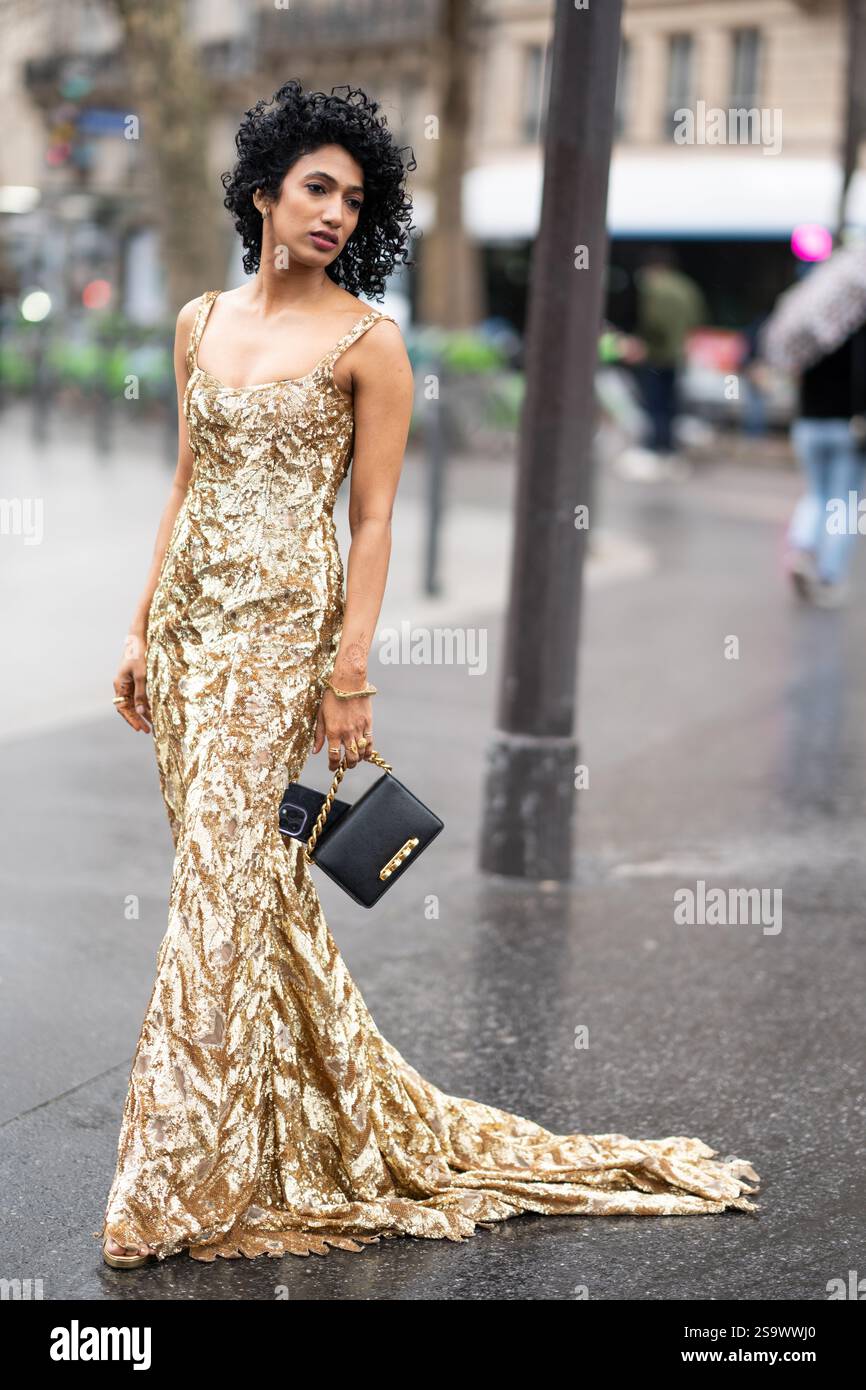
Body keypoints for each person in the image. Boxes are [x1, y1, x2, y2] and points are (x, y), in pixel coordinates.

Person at [100, 81, 760, 1268]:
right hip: (194, 639)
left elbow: (373, 524)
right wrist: (144, 625)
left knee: (213, 904)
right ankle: (319, 1118)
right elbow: (187, 484)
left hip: (278, 642)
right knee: (252, 894)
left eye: (355, 199)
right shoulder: (198, 321)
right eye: (316, 188)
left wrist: (348, 673)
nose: (336, 214)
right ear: (261, 191)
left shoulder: (371, 342)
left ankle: (177, 1177)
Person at [785, 318, 866, 606]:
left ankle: (803, 549)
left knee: (815, 494)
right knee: (843, 503)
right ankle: (829, 575)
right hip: (848, 428)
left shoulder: (809, 328)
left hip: (808, 425)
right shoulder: (857, 331)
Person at [633, 246, 707, 463]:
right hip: (678, 354)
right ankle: (669, 447)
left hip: (657, 354)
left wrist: (642, 342)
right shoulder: (686, 287)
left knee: (654, 403)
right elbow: (697, 318)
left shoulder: (655, 287)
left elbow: (652, 323)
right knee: (670, 403)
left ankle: (656, 447)